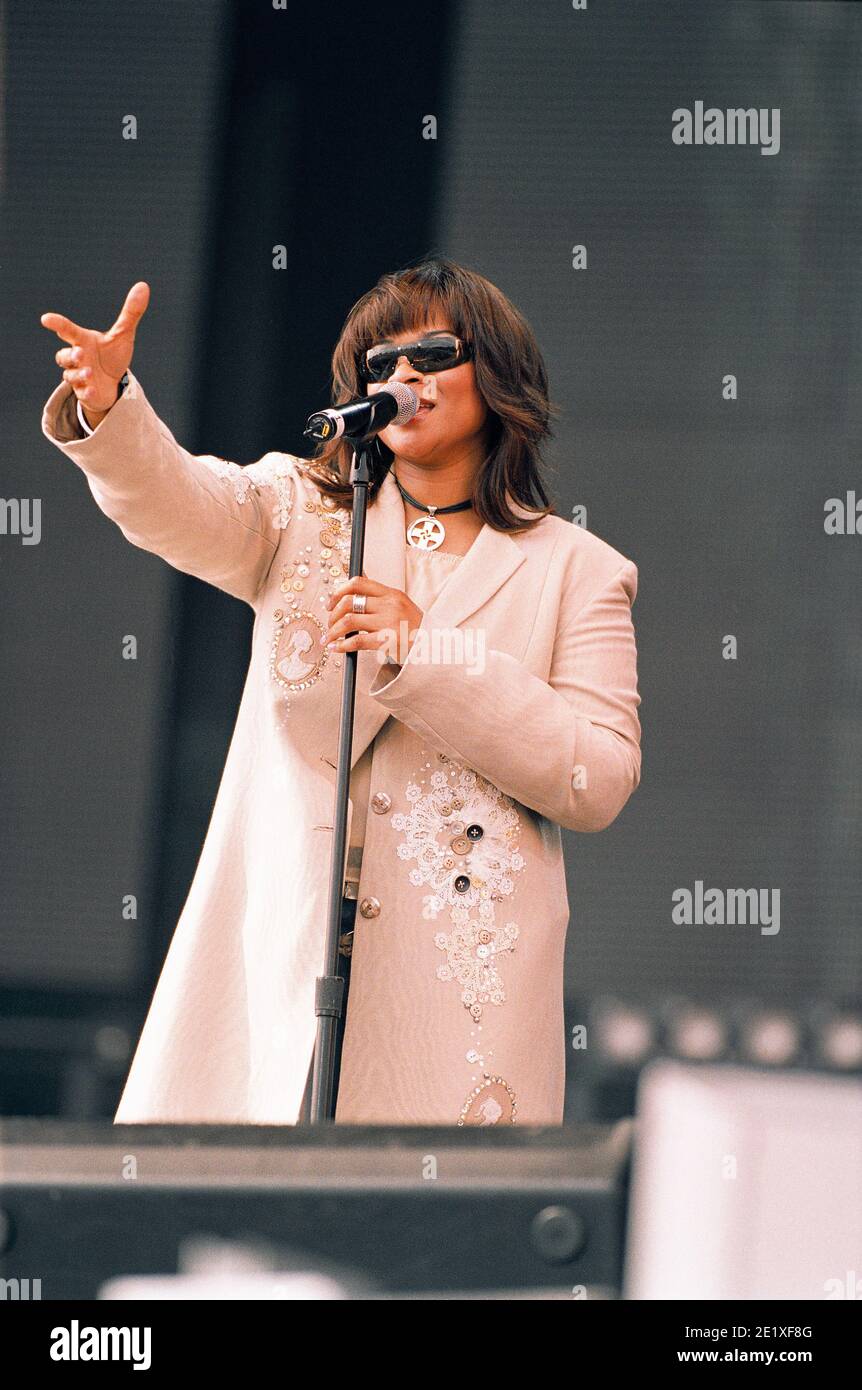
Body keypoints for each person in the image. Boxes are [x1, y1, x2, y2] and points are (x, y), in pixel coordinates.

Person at [39, 256, 642, 1127]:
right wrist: (110, 406)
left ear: (499, 372)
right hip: (285, 952)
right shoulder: (297, 509)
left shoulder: (576, 570)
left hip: (458, 990)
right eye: (380, 362)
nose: (400, 375)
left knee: (425, 1244)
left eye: (432, 352)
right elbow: (173, 498)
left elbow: (599, 776)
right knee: (235, 1234)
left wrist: (424, 652)